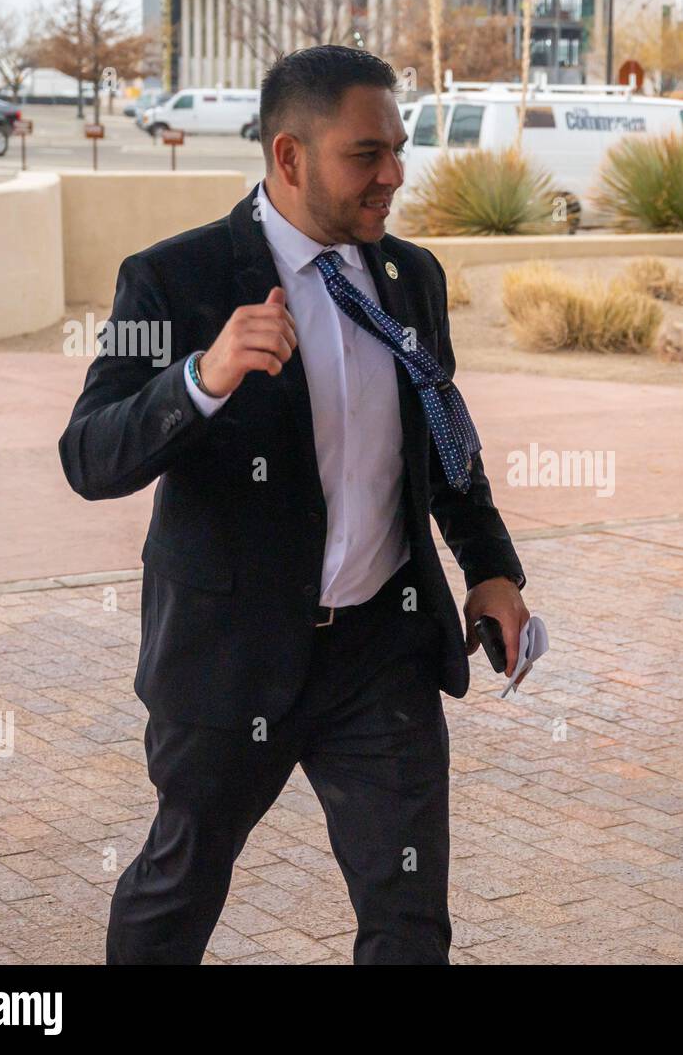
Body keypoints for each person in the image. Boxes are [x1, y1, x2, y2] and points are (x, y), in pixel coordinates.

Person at [59, 46, 530, 964]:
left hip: (379, 653)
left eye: (397, 149)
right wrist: (202, 377)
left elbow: (447, 441)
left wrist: (493, 569)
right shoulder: (176, 280)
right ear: (289, 156)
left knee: (408, 920)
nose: (394, 173)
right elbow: (89, 455)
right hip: (233, 656)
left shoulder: (410, 279)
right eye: (367, 155)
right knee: (177, 891)